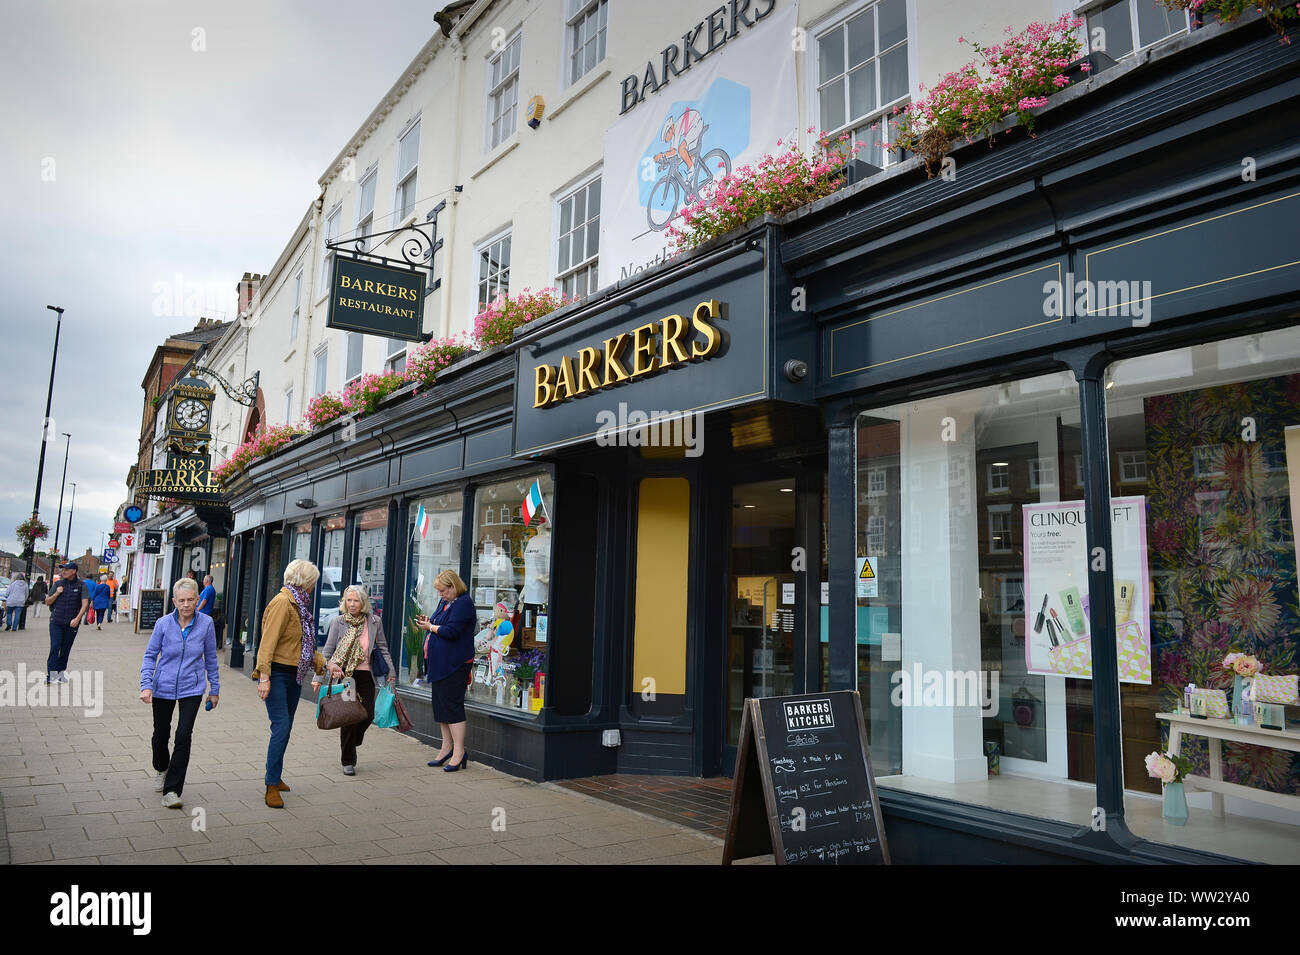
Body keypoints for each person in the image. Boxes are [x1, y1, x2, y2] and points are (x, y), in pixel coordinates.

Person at [139, 577, 219, 809]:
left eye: (191, 599)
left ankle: (172, 790)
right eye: (182, 600)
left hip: (191, 688)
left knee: (183, 736)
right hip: (162, 687)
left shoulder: (205, 624)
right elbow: (150, 656)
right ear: (174, 601)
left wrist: (214, 689)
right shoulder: (163, 624)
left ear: (197, 599)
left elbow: (211, 659)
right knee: (160, 736)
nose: (186, 604)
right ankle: (162, 767)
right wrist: (146, 685)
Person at [253, 559, 325, 808]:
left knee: (284, 728)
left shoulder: (300, 605)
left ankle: (275, 775)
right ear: (305, 581)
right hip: (277, 675)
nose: (314, 586)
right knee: (281, 726)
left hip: (295, 675)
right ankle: (271, 785)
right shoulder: (284, 603)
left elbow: (302, 645)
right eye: (313, 581)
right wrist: (264, 677)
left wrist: (323, 664)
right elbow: (268, 642)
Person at [314, 585, 396, 776]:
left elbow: (383, 648)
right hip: (345, 675)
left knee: (367, 715)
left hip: (366, 675)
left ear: (363, 603)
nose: (351, 604)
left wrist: (391, 671)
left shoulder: (374, 622)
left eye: (356, 601)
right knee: (349, 717)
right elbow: (327, 651)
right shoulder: (338, 622)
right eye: (348, 600)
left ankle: (353, 741)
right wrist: (319, 677)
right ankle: (348, 760)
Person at [413, 569, 476, 772]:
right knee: (441, 706)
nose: (440, 594)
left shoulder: (463, 604)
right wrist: (427, 622)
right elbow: (437, 622)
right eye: (439, 591)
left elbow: (451, 631)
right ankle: (446, 747)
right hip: (439, 663)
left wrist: (430, 627)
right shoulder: (446, 602)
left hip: (455, 663)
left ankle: (459, 751)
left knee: (452, 706)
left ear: (453, 586)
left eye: (443, 590)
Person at [44, 562, 89, 684]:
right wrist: (57, 593)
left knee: (65, 648)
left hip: (71, 623)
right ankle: (51, 675)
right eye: (62, 569)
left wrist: (78, 618)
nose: (63, 571)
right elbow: (47, 601)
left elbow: (85, 603)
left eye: (66, 569)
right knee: (55, 646)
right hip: (56, 621)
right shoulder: (58, 584)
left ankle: (60, 673)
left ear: (74, 571)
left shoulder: (81, 586)